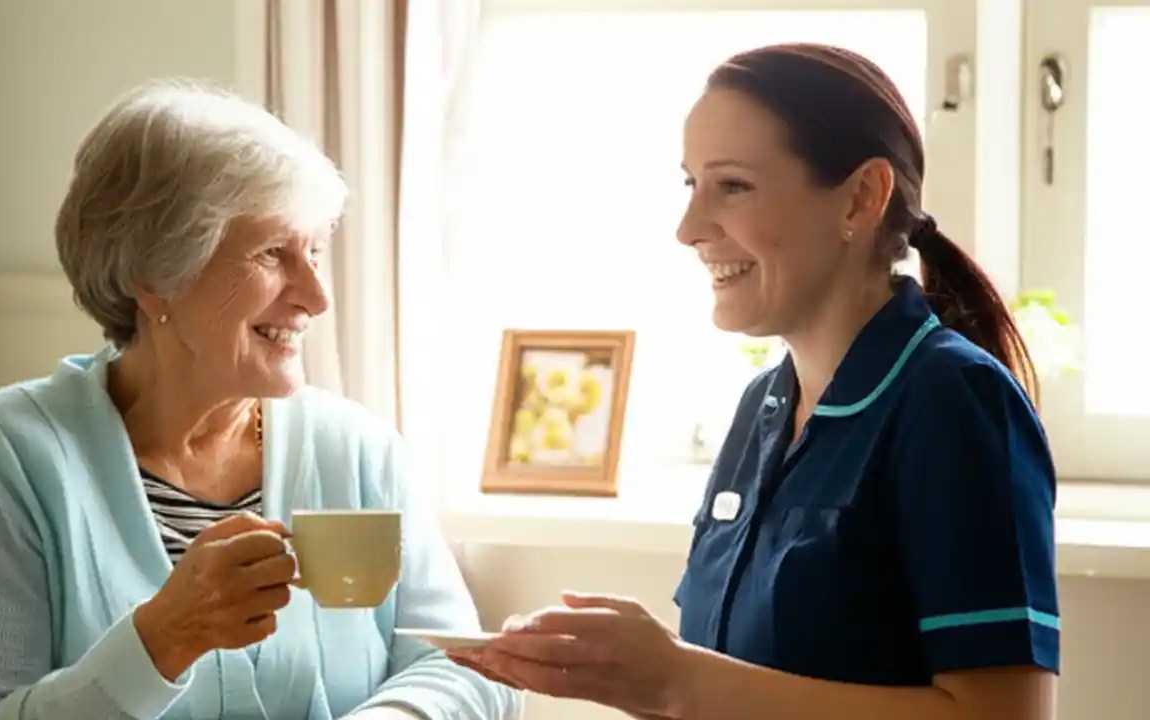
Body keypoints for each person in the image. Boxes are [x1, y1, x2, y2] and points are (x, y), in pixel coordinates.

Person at [449, 43, 1059, 720]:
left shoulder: (953, 400)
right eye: (691, 185)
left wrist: (676, 680)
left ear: (861, 197)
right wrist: (625, 676)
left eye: (732, 186)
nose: (688, 229)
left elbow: (1006, 716)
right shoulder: (765, 405)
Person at [0, 80, 519, 720]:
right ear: (153, 276)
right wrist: (164, 639)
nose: (316, 296)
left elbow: (466, 668)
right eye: (273, 253)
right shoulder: (1, 455)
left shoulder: (355, 449)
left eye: (315, 251)